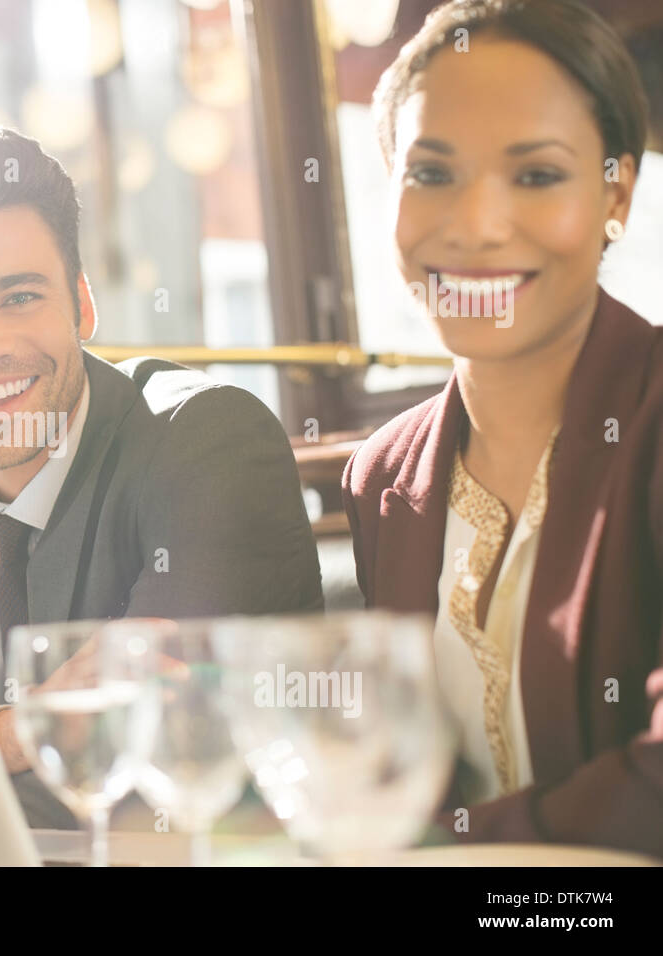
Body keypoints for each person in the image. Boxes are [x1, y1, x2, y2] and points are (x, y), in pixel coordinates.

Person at [0, 122, 323, 828]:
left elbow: (138, 759)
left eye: (17, 297)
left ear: (82, 304)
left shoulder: (208, 443)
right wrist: (27, 726)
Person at [344, 0, 663, 857]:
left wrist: (444, 853)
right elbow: (398, 770)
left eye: (535, 176)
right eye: (432, 174)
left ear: (616, 195)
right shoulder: (383, 476)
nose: (476, 226)